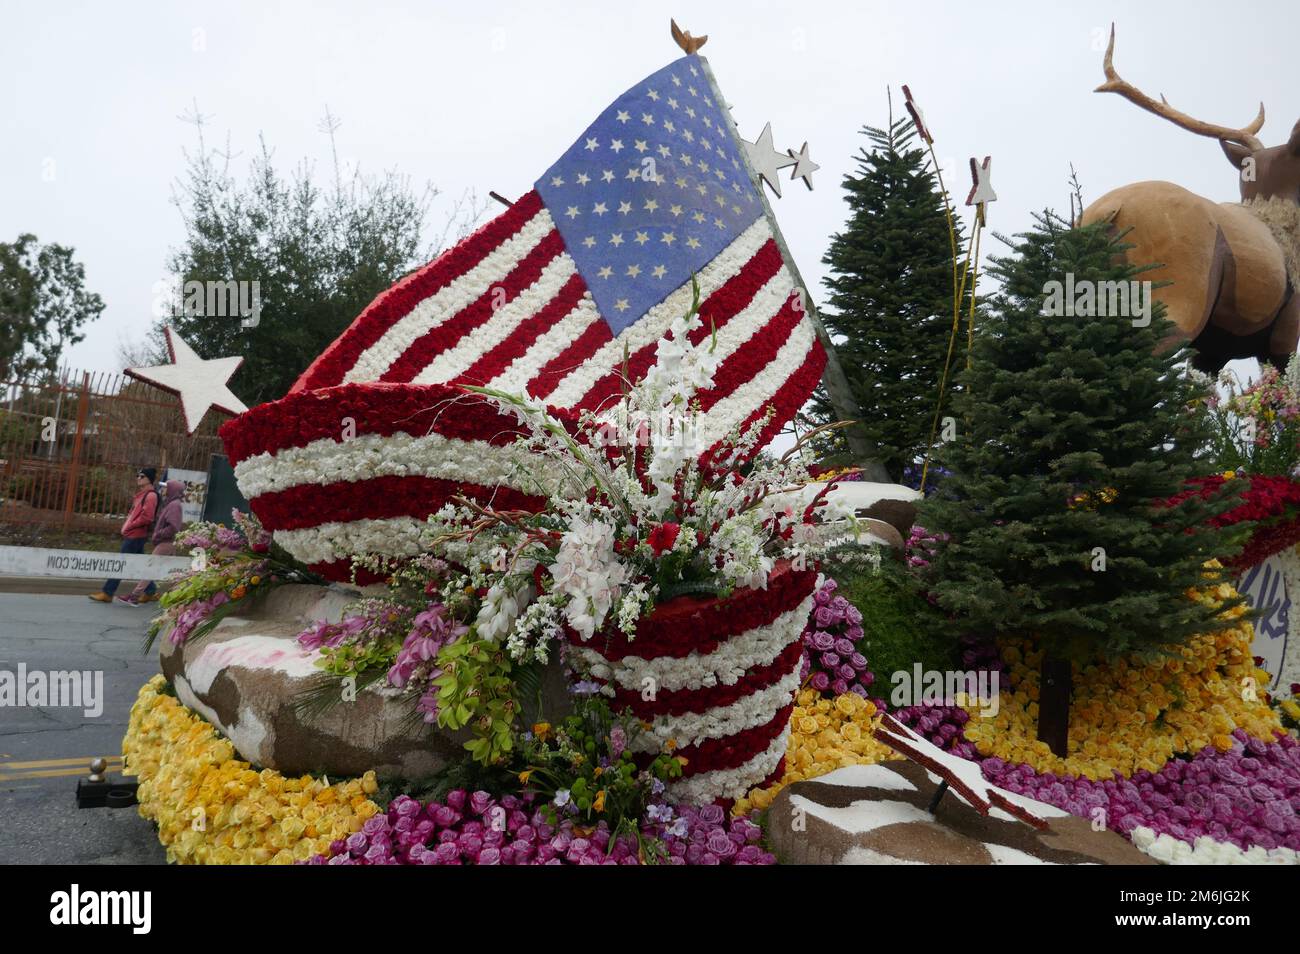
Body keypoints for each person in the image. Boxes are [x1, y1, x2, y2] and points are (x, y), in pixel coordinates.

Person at [88, 467, 160, 604]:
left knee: (120, 564)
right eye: (137, 475)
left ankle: (107, 593)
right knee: (140, 565)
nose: (138, 478)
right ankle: (151, 591)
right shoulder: (142, 495)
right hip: (134, 535)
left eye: (141, 476)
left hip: (136, 535)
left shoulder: (150, 496)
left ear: (149, 479)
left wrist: (131, 525)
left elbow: (148, 518)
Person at [121, 478, 185, 605]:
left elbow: (173, 527)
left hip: (165, 543)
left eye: (167, 487)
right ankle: (182, 597)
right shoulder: (172, 503)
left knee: (150, 569)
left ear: (172, 489)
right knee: (174, 573)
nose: (164, 489)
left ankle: (134, 597)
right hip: (168, 542)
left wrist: (158, 534)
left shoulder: (174, 505)